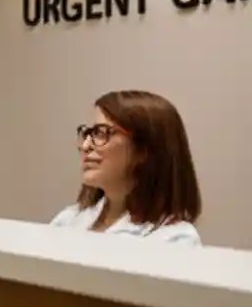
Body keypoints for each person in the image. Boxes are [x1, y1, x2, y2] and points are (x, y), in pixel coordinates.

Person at [50, 89, 202, 245]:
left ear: (144, 150)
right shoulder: (68, 220)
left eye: (101, 133)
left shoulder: (176, 240)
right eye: (88, 133)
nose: (85, 145)